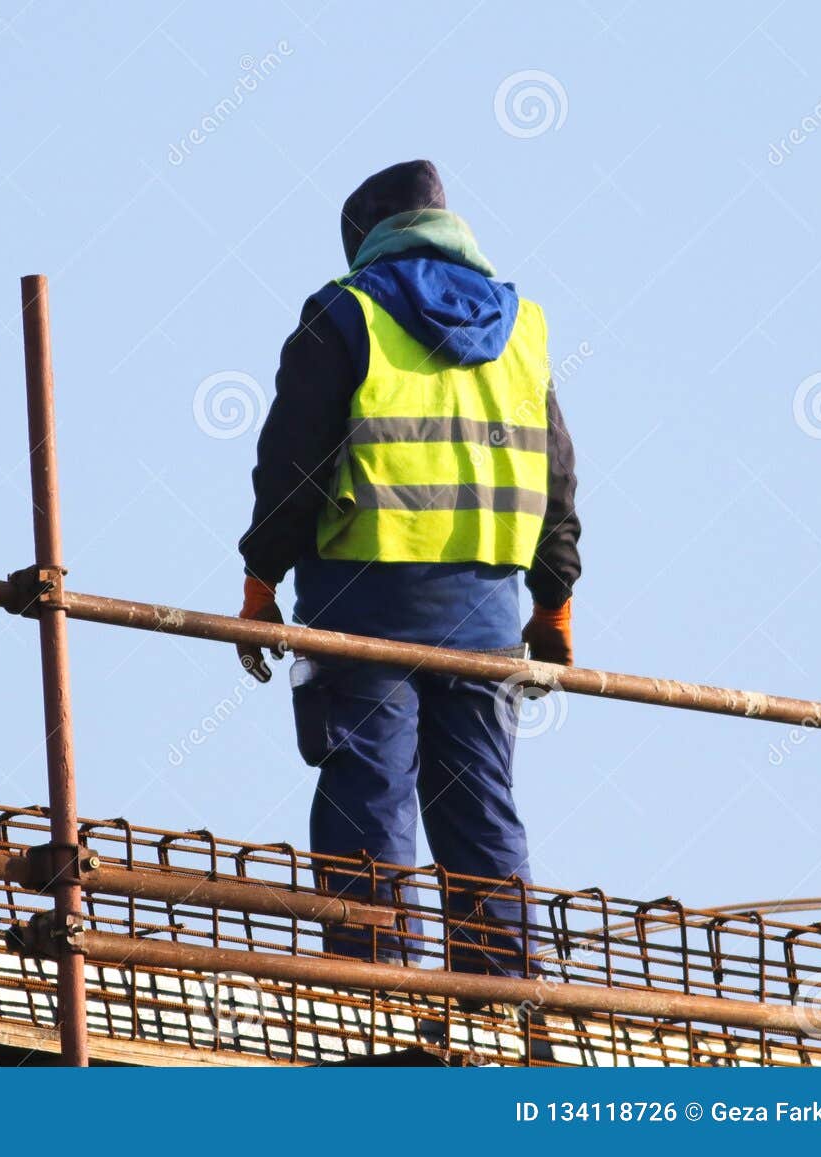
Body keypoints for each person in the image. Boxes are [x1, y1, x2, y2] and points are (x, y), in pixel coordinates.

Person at [235, 160, 581, 978]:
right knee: (479, 803)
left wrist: (260, 580)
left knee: (369, 792)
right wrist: (554, 600)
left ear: (364, 240)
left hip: (364, 598)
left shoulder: (345, 312)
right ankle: (501, 991)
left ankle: (380, 985)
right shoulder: (523, 327)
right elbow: (558, 474)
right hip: (487, 615)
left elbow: (293, 464)